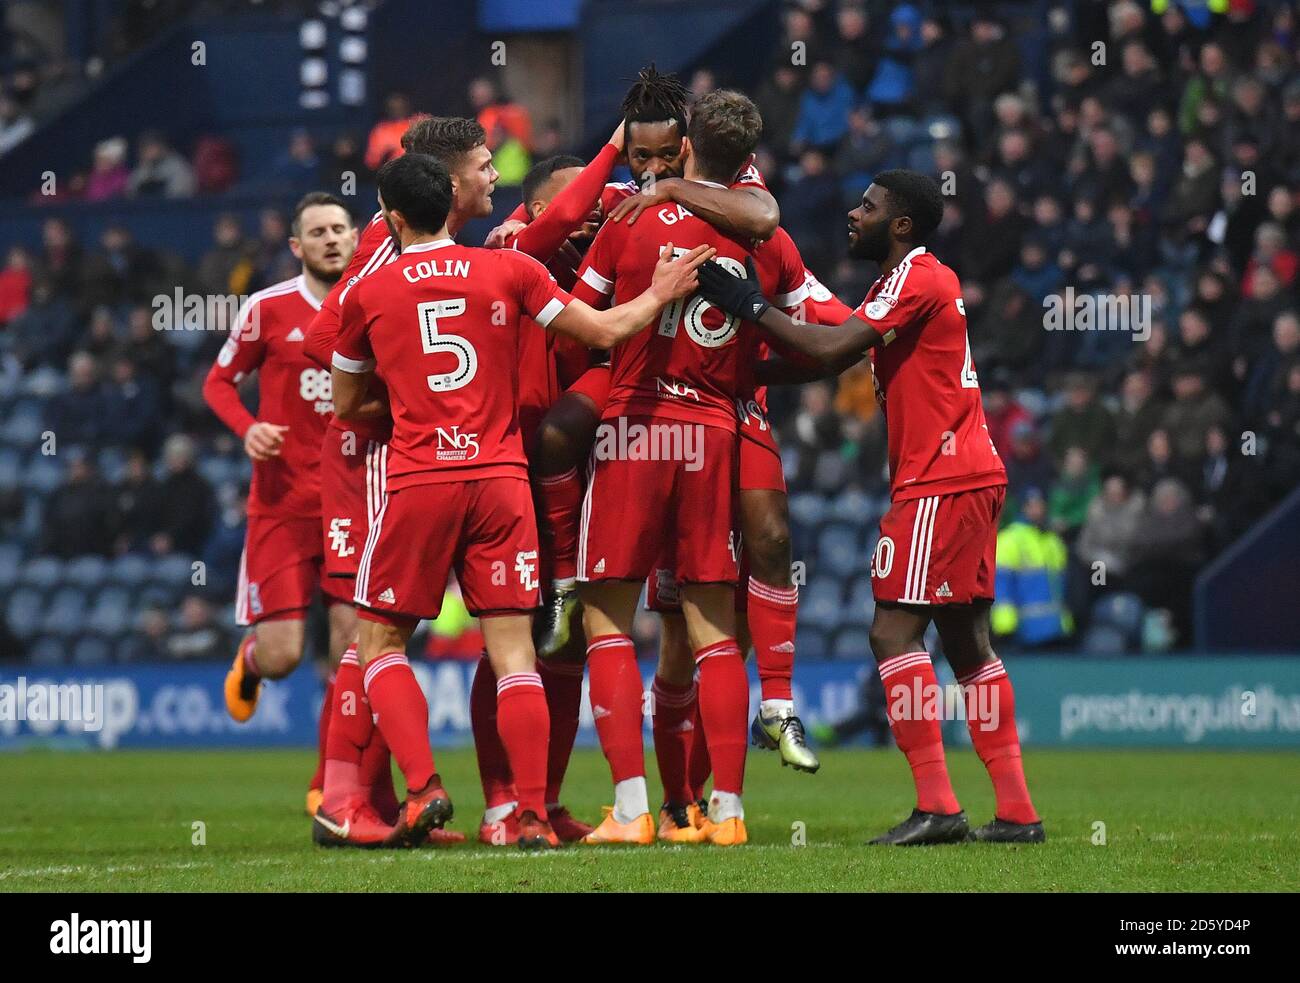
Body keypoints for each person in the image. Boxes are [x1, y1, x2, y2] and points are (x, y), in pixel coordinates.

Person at [327, 151, 711, 849]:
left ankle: (424, 788)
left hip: (419, 478)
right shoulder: (509, 269)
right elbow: (603, 332)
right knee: (514, 653)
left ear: (388, 217)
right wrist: (659, 293)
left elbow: (348, 399)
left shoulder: (367, 291)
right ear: (449, 202)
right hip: (504, 478)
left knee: (379, 640)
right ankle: (527, 813)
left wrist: (411, 397)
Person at [696, 169, 1044, 845]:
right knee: (968, 644)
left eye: (869, 206)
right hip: (965, 472)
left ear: (902, 224)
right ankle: (1017, 811)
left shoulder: (918, 277)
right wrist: (745, 370)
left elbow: (829, 346)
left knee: (891, 634)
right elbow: (827, 359)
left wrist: (751, 307)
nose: (854, 215)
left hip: (940, 479)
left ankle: (938, 804)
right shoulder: (898, 283)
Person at [569, 90, 793, 847]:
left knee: (606, 621)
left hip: (634, 429)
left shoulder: (626, 219)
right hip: (711, 434)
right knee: (714, 634)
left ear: (688, 145)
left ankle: (632, 808)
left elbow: (577, 323)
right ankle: (726, 814)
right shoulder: (748, 226)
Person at [203, 192, 358, 818]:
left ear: (354, 238)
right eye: (316, 232)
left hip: (354, 505)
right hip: (281, 508)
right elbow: (217, 382)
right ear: (296, 246)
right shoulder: (267, 309)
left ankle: (328, 785)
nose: (330, 239)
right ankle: (250, 660)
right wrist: (246, 429)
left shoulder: (373, 301)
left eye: (339, 229)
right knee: (285, 656)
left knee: (351, 654)